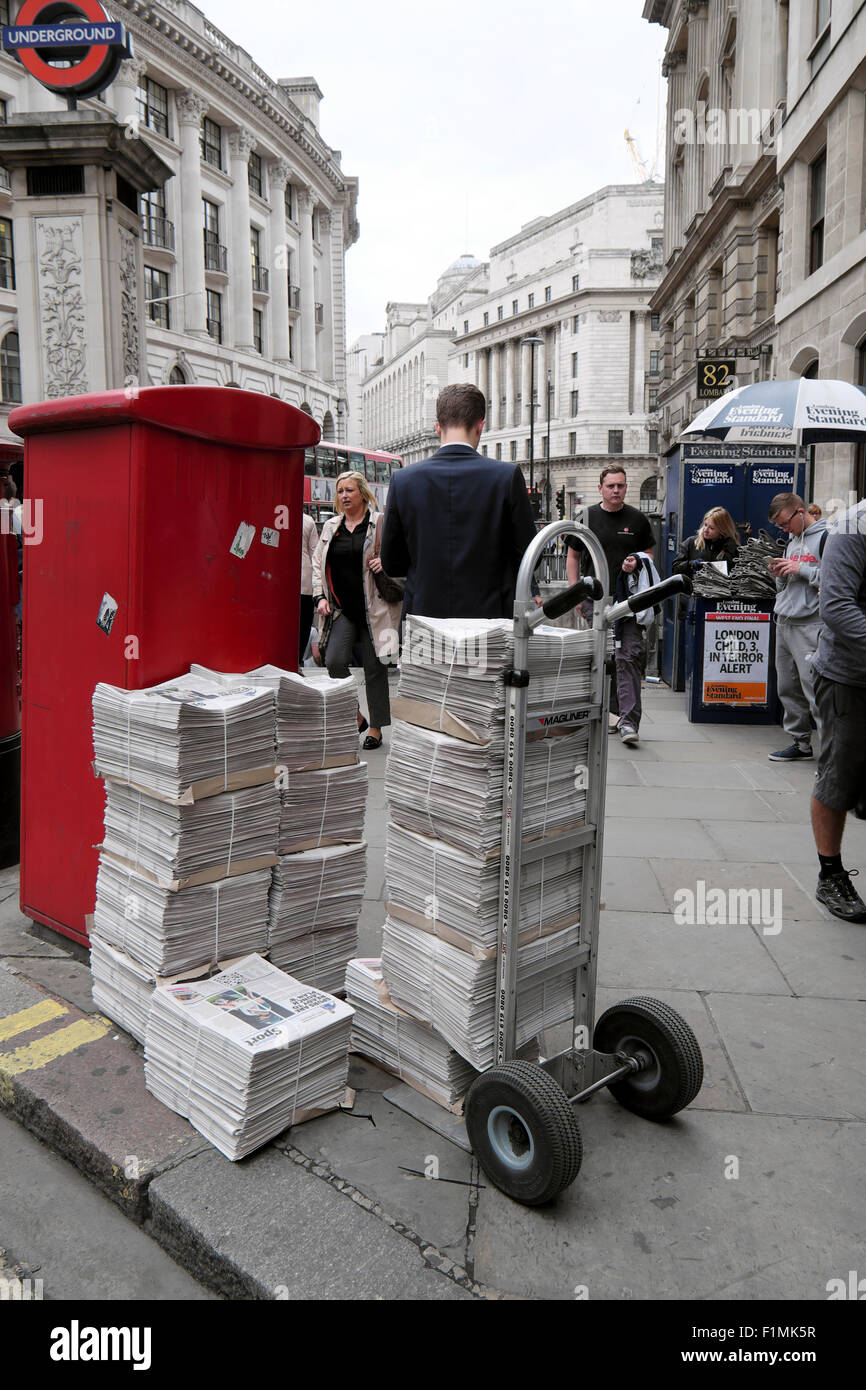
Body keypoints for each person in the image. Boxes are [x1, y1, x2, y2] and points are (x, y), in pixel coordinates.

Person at [379, 383, 538, 619]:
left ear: (437, 427)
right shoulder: (506, 477)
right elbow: (529, 557)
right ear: (480, 426)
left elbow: (392, 564)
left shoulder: (403, 480)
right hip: (489, 621)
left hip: (424, 620)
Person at [312, 470, 402, 751]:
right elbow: (318, 565)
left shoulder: (379, 523)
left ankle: (375, 727)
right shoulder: (330, 527)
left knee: (375, 670)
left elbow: (402, 555)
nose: (344, 496)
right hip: (343, 610)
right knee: (334, 660)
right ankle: (356, 715)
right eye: (340, 492)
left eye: (349, 490)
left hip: (375, 609)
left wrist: (385, 562)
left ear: (362, 493)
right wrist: (319, 598)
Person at [565, 465, 655, 746]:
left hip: (628, 601)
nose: (616, 490)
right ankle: (605, 713)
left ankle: (628, 722)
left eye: (621, 485)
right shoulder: (586, 517)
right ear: (601, 488)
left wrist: (637, 561)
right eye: (611, 486)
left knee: (628, 657)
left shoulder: (638, 520)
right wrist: (575, 593)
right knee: (601, 658)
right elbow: (572, 556)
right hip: (596, 600)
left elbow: (649, 555)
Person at [808, 498, 866, 922]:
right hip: (850, 678)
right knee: (837, 776)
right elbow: (837, 608)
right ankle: (830, 874)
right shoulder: (851, 526)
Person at [765, 492, 826, 762]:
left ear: (800, 512)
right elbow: (790, 583)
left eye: (785, 523)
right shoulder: (793, 539)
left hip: (810, 624)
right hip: (785, 620)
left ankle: (832, 756)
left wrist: (800, 569)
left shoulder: (828, 537)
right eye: (779, 526)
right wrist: (781, 575)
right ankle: (800, 742)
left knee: (815, 689)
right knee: (787, 687)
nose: (784, 529)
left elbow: (834, 579)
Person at [672, 507, 740, 576]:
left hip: (719, 586)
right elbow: (675, 568)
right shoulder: (691, 542)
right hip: (693, 585)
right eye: (705, 524)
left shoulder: (730, 547)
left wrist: (730, 549)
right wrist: (690, 564)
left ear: (722, 530)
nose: (706, 530)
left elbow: (736, 573)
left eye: (711, 528)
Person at [299, 510, 318, 666]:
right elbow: (315, 554)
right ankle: (297, 662)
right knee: (303, 626)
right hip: (305, 584)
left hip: (277, 584)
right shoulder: (308, 521)